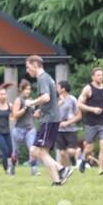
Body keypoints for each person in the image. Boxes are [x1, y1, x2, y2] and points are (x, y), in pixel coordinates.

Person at [23, 55, 70, 186]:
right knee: (35, 150)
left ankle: (61, 171)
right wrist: (41, 111)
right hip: (50, 118)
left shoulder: (42, 78)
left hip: (50, 120)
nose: (27, 70)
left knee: (41, 151)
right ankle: (58, 178)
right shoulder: (48, 78)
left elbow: (46, 97)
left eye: (28, 67)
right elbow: (57, 99)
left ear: (35, 65)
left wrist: (31, 103)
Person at [76, 67, 103, 174]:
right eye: (98, 75)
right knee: (89, 148)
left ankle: (101, 170)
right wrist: (92, 109)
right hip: (91, 123)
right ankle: (83, 160)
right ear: (92, 77)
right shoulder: (88, 89)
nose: (100, 77)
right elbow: (79, 104)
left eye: (101, 75)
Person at [10, 79, 38, 175]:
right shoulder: (18, 100)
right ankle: (12, 167)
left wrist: (37, 113)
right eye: (26, 89)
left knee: (32, 149)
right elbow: (15, 115)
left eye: (29, 89)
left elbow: (32, 114)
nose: (28, 91)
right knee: (16, 152)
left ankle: (34, 169)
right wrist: (25, 107)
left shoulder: (31, 100)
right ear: (21, 90)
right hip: (19, 129)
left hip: (30, 128)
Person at [55, 80, 82, 169]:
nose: (56, 89)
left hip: (71, 129)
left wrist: (67, 123)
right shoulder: (55, 99)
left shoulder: (73, 99)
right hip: (58, 130)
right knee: (62, 153)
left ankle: (77, 153)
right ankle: (65, 170)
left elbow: (79, 116)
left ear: (63, 89)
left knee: (70, 151)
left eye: (58, 87)